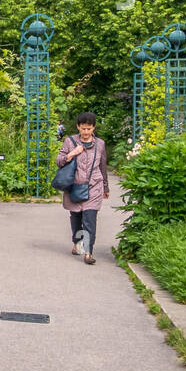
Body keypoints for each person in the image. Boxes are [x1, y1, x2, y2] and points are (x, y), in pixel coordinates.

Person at [56, 112, 110, 265]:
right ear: (78, 127)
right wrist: (72, 153)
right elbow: (59, 161)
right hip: (74, 186)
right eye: (83, 128)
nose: (86, 132)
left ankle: (88, 252)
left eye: (89, 129)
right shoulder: (69, 141)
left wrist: (105, 187)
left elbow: (102, 166)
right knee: (76, 218)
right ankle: (77, 242)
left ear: (93, 128)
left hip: (94, 185)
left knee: (90, 219)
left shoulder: (100, 144)